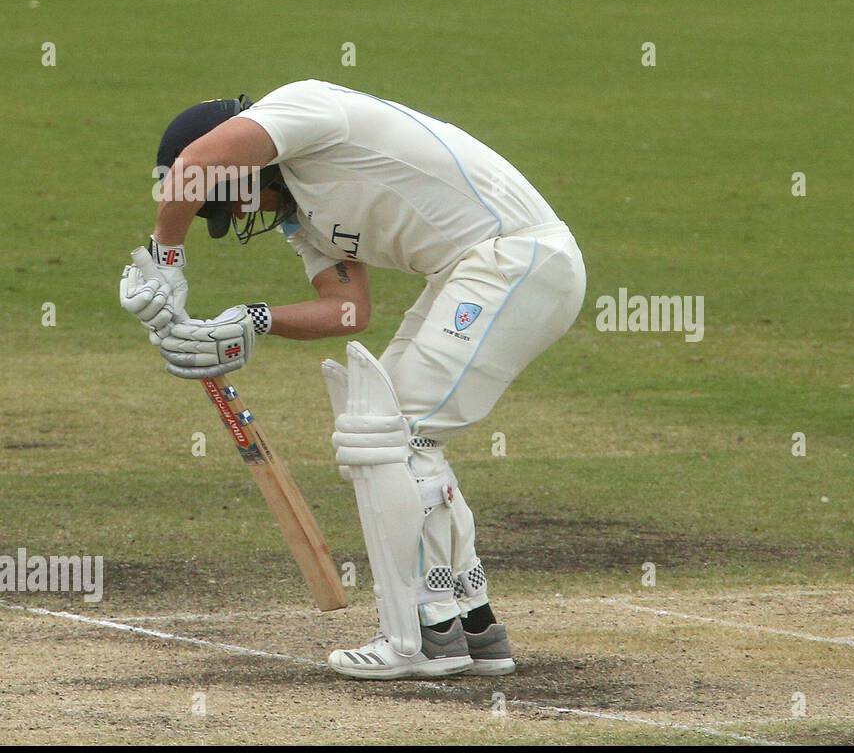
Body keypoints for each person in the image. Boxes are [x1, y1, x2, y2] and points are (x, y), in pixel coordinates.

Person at [119, 80, 586, 679]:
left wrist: (165, 258)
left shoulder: (302, 105)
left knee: (394, 433)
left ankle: (416, 637)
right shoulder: (301, 219)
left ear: (235, 174)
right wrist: (247, 325)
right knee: (381, 424)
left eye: (228, 202)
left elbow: (194, 163)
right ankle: (468, 624)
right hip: (473, 271)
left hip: (514, 260)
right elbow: (347, 310)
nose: (240, 215)